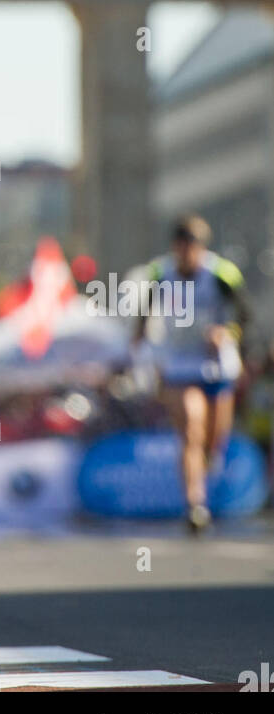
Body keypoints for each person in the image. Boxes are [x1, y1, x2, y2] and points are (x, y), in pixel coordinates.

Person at [131, 215, 251, 533]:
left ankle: (209, 460)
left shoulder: (222, 273)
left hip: (216, 364)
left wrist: (227, 333)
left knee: (213, 439)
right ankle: (194, 504)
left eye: (193, 246)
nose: (188, 253)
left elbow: (244, 316)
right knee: (190, 428)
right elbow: (143, 316)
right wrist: (138, 343)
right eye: (182, 246)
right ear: (175, 247)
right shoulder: (160, 275)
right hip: (179, 364)